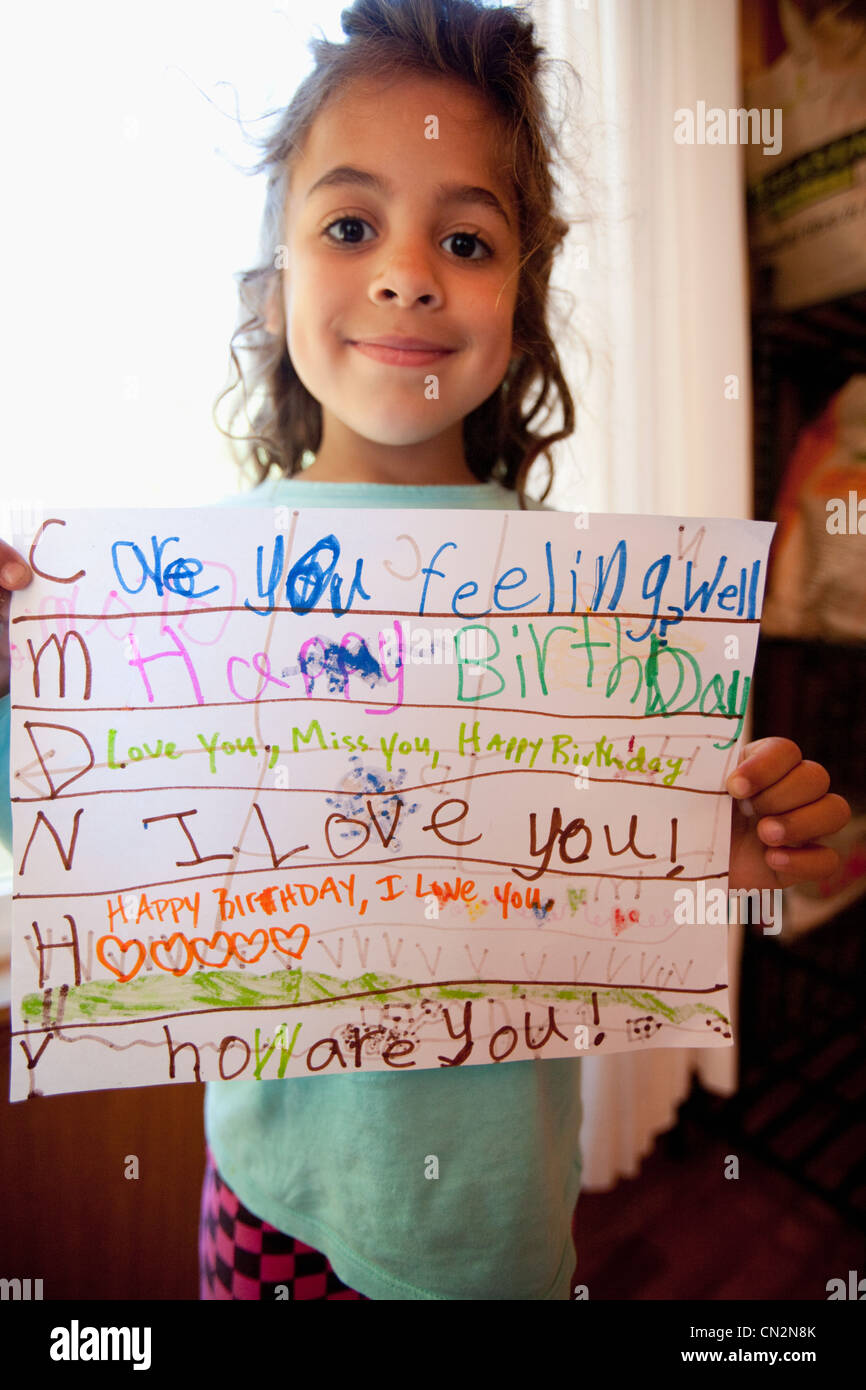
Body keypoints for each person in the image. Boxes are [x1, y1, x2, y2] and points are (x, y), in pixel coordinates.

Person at [0, 0, 852, 1301]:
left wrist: (762, 855)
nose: (405, 272)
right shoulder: (178, 597)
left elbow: (687, 886)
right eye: (351, 226)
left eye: (463, 237)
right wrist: (21, 690)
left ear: (521, 295)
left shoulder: (605, 619)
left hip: (500, 1239)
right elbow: (79, 845)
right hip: (273, 1205)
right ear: (278, 277)